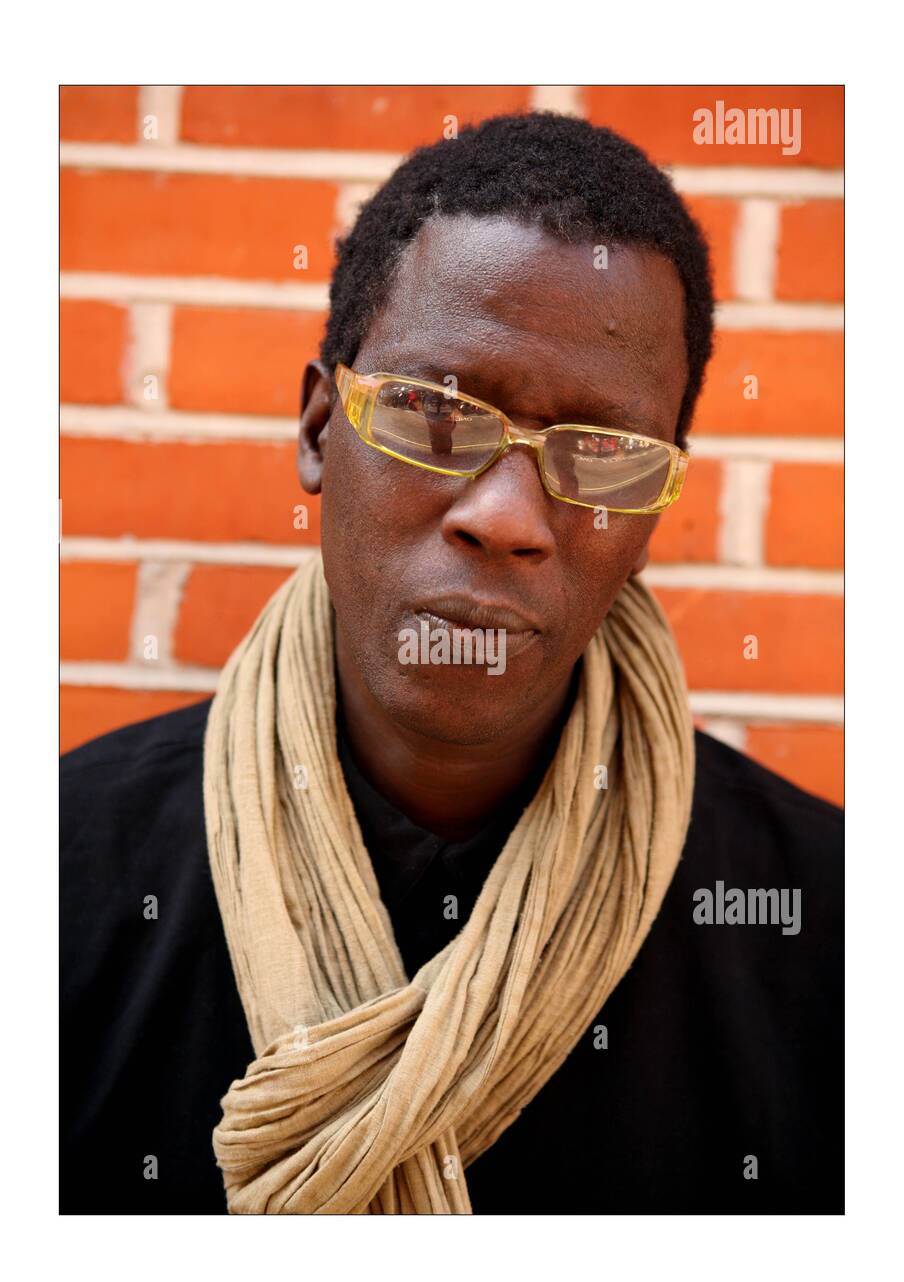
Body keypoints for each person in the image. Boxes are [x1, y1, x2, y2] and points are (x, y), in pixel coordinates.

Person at [60, 112, 842, 1216]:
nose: (507, 517)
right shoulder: (59, 877)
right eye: (434, 411)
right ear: (318, 429)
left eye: (603, 453)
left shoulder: (833, 933)